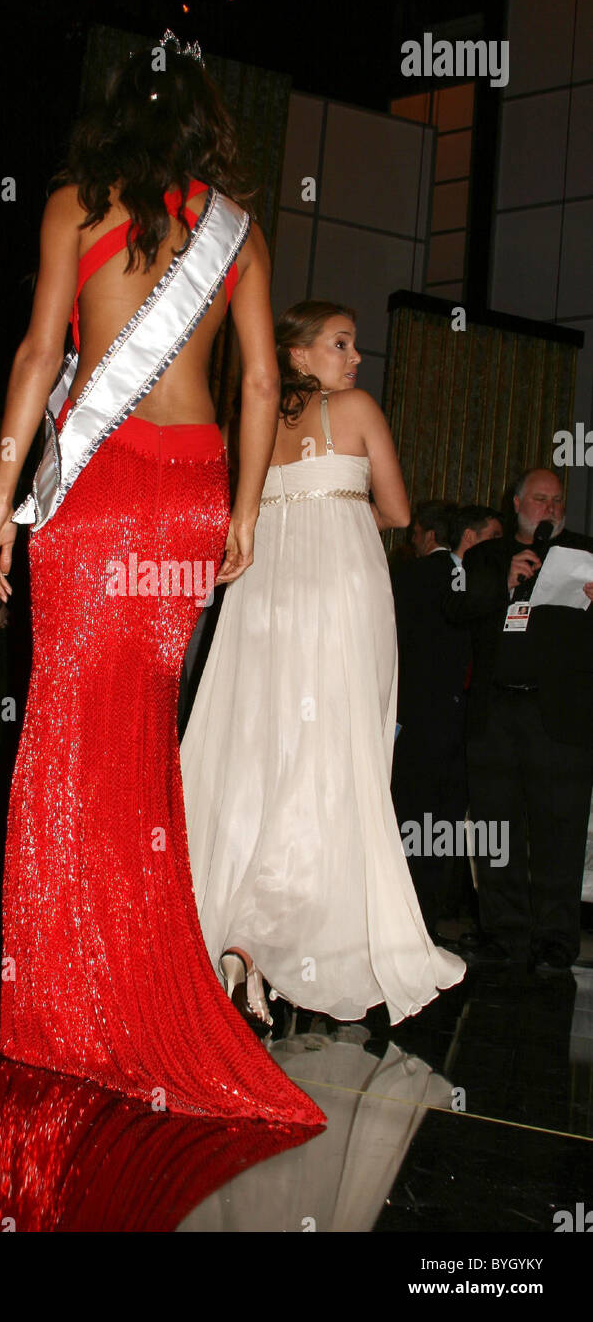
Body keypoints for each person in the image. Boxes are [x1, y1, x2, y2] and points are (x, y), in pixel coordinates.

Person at [0, 33, 323, 1125]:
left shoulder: (76, 203)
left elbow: (38, 356)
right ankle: (135, 990)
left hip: (96, 488)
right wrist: (245, 511)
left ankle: (68, 1004)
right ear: (209, 122)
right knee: (137, 734)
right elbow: (262, 382)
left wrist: (1, 490)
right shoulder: (239, 235)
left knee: (65, 730)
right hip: (188, 489)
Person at [181, 300, 466, 1026]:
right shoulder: (357, 408)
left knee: (258, 754)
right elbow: (400, 512)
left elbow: (224, 506)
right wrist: (337, 510)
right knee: (336, 759)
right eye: (342, 343)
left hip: (267, 588)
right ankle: (273, 941)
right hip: (341, 591)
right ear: (299, 355)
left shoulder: (253, 419)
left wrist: (292, 506)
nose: (356, 357)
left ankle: (239, 937)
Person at [443, 468, 593, 973]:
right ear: (517, 503)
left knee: (559, 831)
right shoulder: (487, 556)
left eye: (556, 501)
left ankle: (555, 939)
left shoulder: (587, 555)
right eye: (539, 499)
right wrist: (503, 583)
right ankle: (504, 932)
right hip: (496, 713)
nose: (549, 508)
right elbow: (456, 614)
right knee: (496, 827)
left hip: (559, 717)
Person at [391, 504, 502, 935]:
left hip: (452, 725)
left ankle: (426, 919)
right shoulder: (434, 576)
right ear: (470, 539)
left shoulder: (464, 580)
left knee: (441, 826)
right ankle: (413, 919)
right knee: (419, 820)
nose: (501, 547)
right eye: (493, 537)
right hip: (425, 724)